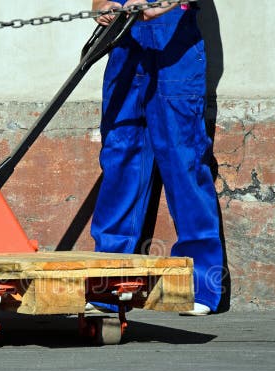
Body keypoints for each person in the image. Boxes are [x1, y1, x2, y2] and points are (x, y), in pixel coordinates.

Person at [89, 0, 225, 316]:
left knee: (184, 161)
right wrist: (102, 6)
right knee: (120, 160)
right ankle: (110, 282)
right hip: (124, 43)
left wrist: (160, 5)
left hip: (175, 44)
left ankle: (200, 285)